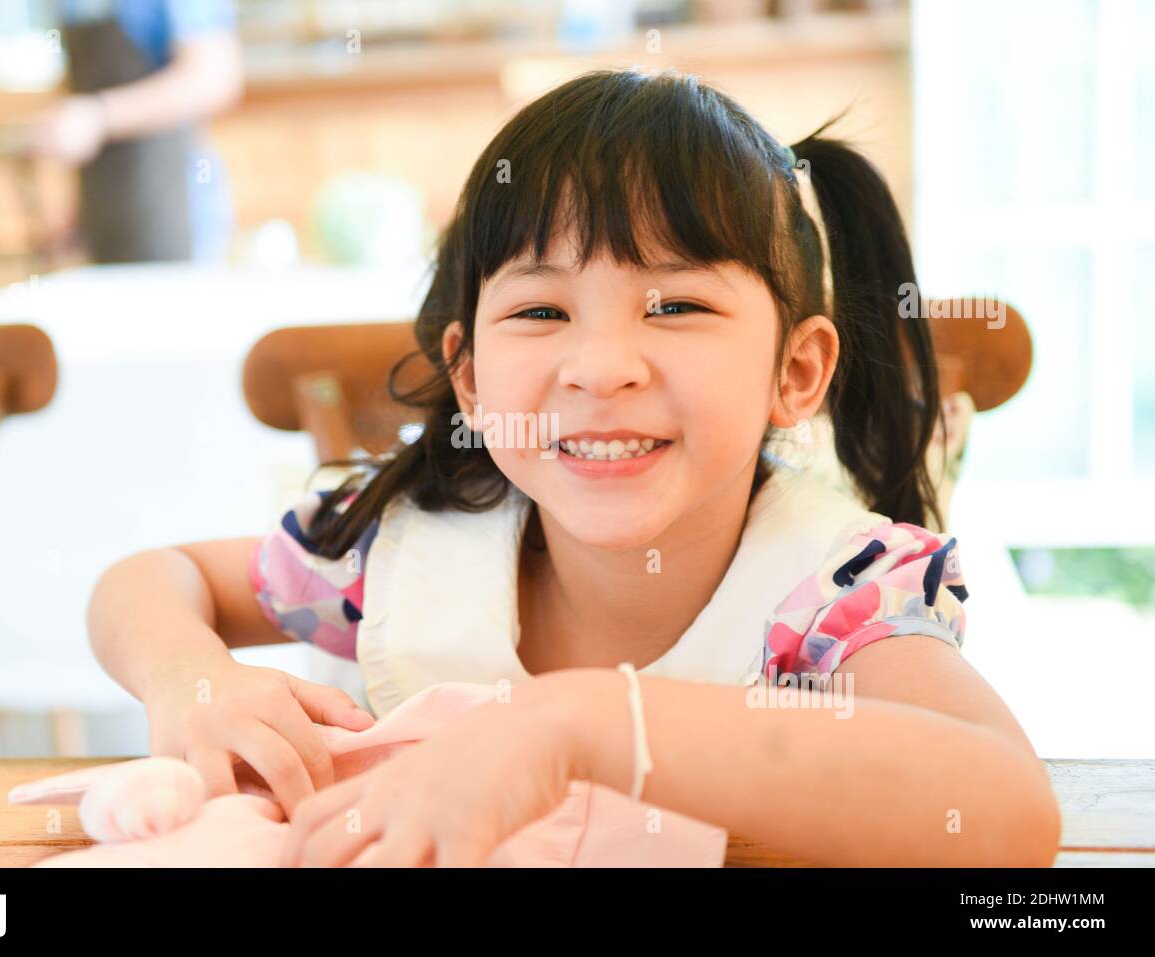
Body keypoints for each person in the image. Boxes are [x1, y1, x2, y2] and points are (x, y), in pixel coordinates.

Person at [86, 70, 1061, 867]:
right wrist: (194, 682)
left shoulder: (829, 595)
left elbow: (1007, 810)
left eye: (674, 307)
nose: (600, 367)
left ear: (795, 371)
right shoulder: (408, 552)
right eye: (541, 312)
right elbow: (151, 580)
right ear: (469, 378)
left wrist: (589, 725)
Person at [26, 0, 242, 263]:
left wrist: (99, 116)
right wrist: (78, 210)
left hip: (171, 211)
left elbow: (213, 76)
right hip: (104, 214)